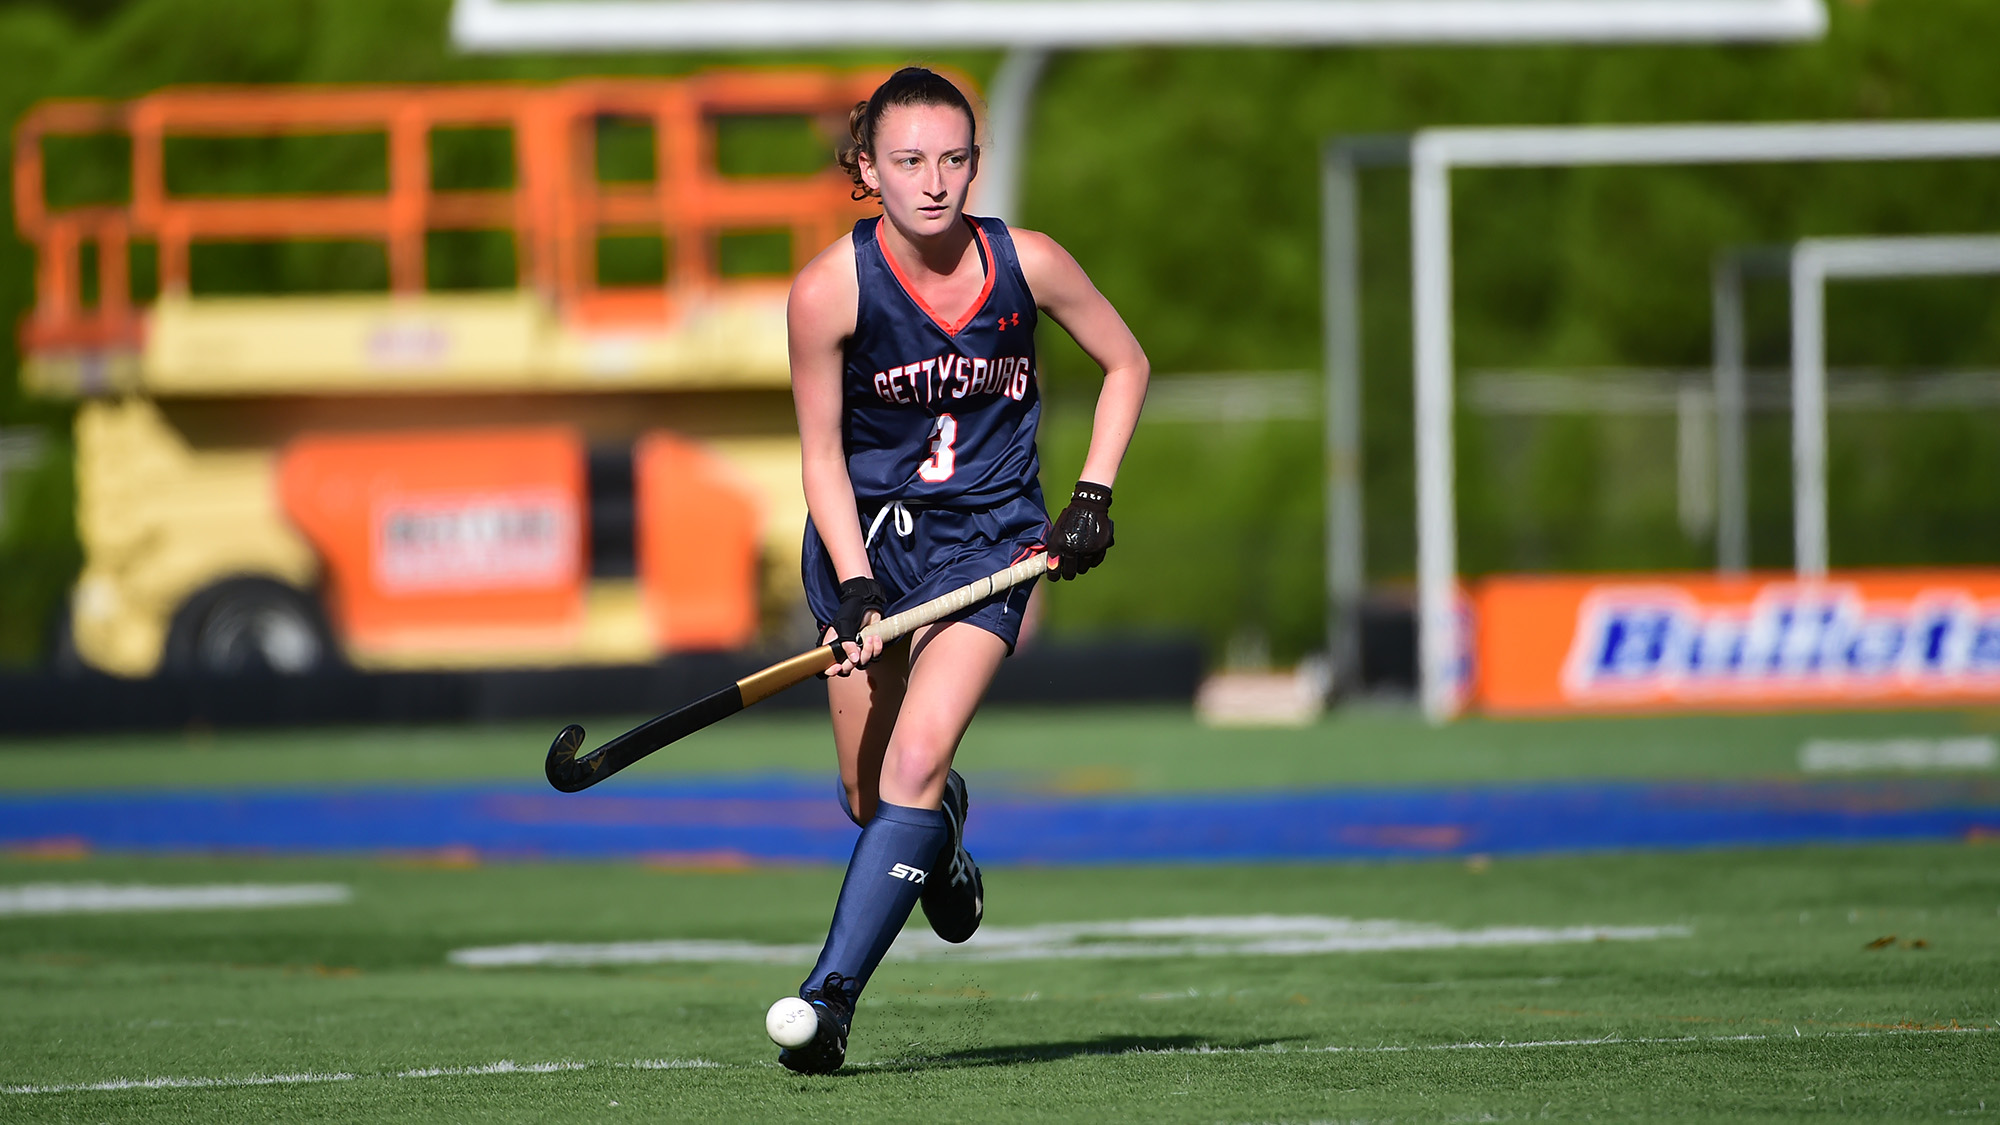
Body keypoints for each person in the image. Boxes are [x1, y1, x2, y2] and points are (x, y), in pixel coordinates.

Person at [773, 66, 1148, 1075]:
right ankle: (939, 841)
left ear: (975, 163)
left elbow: (1127, 363)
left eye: (952, 159)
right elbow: (820, 456)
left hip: (988, 546)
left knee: (912, 760)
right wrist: (855, 585)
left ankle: (829, 1001)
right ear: (867, 168)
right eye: (908, 161)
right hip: (864, 551)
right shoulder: (828, 290)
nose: (933, 181)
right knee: (870, 801)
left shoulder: (1029, 262)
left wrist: (1092, 494)